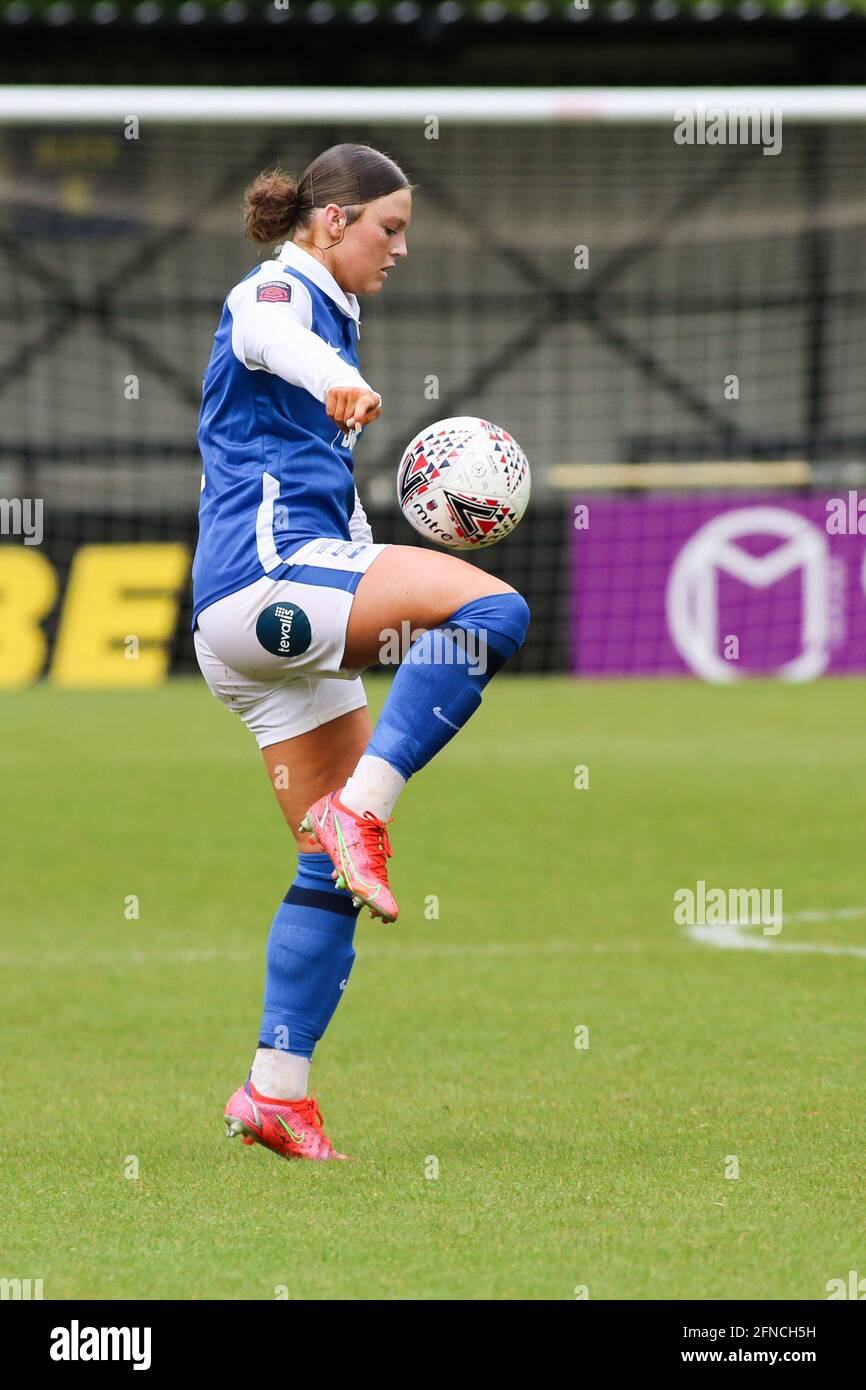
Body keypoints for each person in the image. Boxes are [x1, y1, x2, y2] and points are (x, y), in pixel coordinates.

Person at [192, 143, 530, 1162]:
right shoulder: (279, 287)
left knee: (324, 872)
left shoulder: (333, 301)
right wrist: (338, 380)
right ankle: (363, 809)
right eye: (388, 227)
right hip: (269, 586)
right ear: (330, 220)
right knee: (494, 614)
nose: (400, 246)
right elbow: (262, 329)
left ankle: (274, 1092)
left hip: (254, 629)